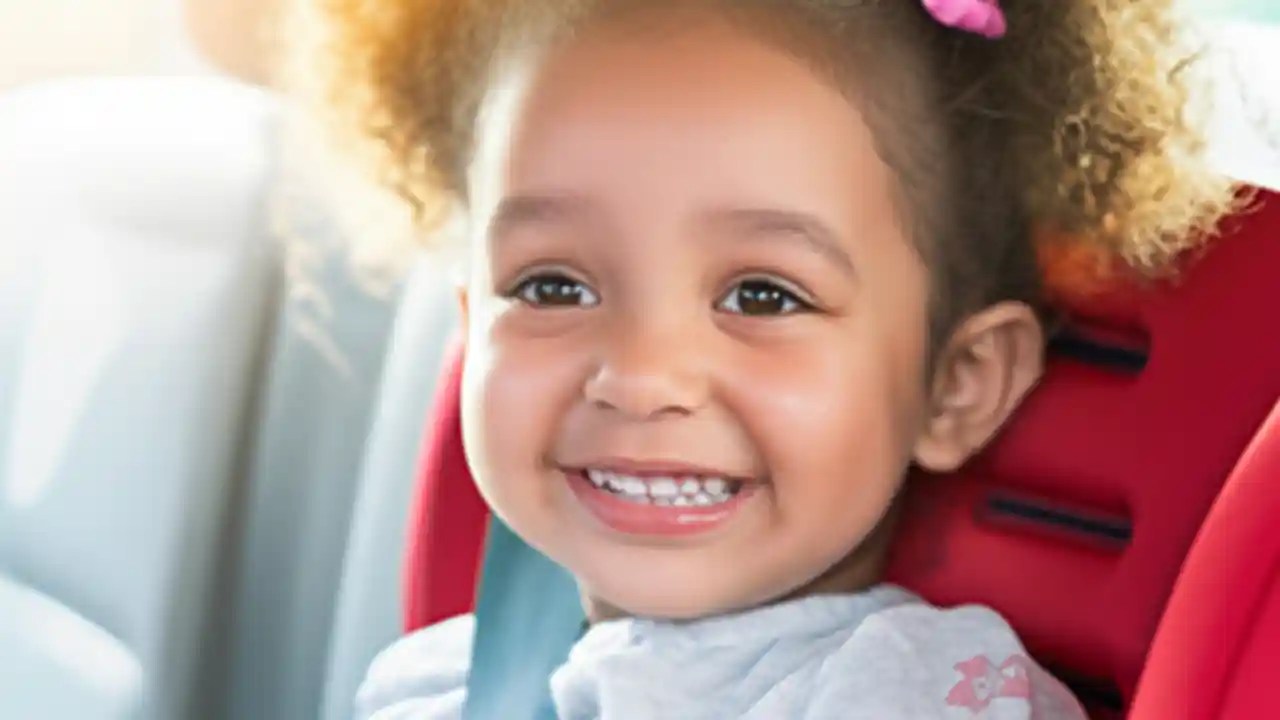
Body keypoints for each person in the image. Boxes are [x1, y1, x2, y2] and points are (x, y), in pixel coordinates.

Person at [293, 0, 1240, 717]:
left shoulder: (910, 697)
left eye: (762, 296)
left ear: (956, 386)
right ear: (473, 319)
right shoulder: (432, 683)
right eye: (551, 287)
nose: (640, 374)